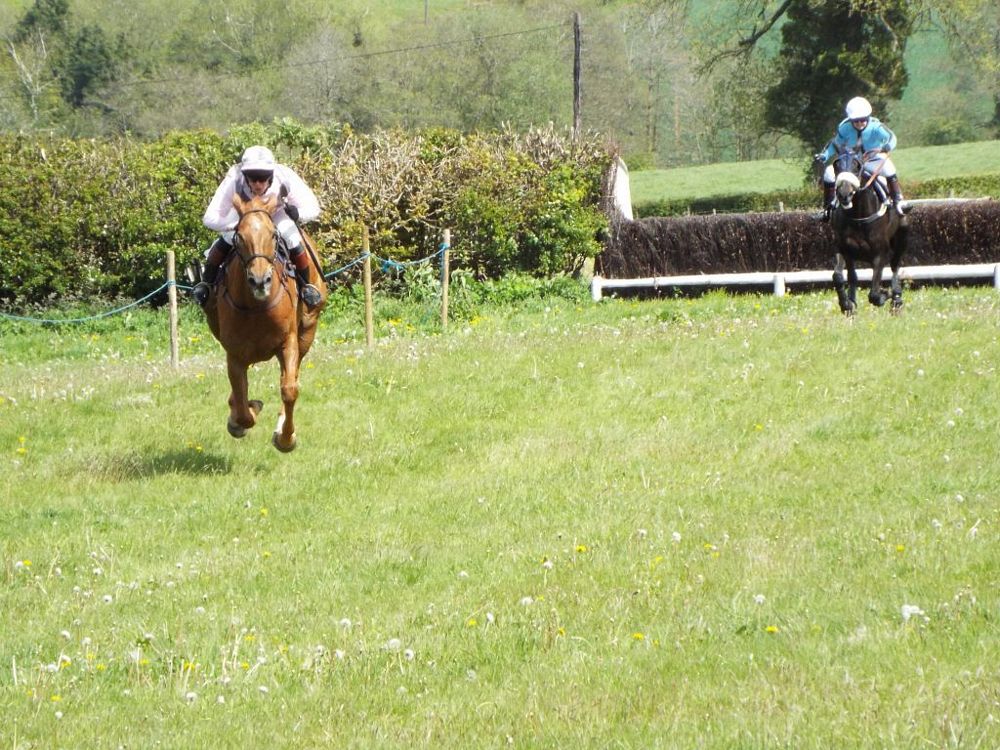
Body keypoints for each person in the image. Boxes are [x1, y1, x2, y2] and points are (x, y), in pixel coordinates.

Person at [192, 145, 322, 307]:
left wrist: (298, 214)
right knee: (228, 238)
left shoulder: (285, 177)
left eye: (263, 178)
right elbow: (210, 217)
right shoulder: (234, 180)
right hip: (244, 216)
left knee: (292, 239)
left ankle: (306, 287)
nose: (258, 184)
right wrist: (234, 225)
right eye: (253, 178)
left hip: (276, 215)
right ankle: (206, 284)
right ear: (245, 175)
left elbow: (313, 207)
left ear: (271, 175)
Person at [813, 96, 905, 221]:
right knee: (829, 173)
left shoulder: (877, 127)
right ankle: (827, 209)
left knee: (889, 168)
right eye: (856, 121)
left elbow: (891, 137)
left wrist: (887, 146)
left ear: (868, 117)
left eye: (863, 120)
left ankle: (898, 201)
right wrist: (824, 156)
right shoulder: (844, 128)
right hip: (852, 163)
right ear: (850, 119)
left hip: (872, 159)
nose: (860, 123)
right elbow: (835, 144)